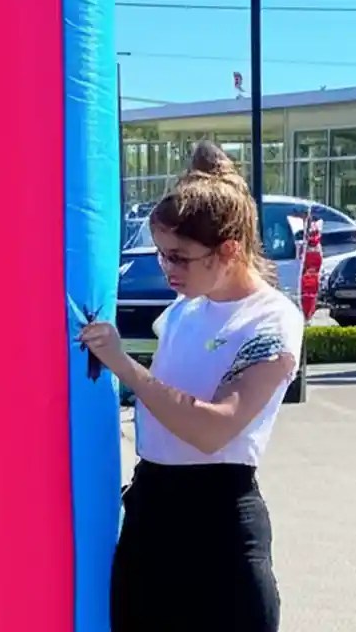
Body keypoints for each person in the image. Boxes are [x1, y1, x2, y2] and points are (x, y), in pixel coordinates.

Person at [78, 140, 304, 632]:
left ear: (229, 250)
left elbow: (213, 429)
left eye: (180, 257)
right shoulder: (184, 309)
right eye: (161, 255)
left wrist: (125, 366)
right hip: (152, 515)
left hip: (219, 527)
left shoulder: (271, 320)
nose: (168, 270)